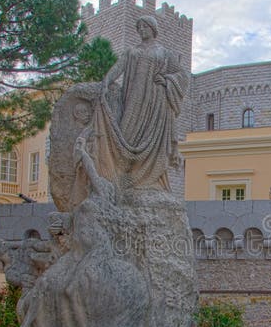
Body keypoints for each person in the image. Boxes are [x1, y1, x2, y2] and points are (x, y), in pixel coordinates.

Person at [75, 14, 188, 199]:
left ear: (153, 29)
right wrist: (106, 81)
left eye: (145, 26)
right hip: (134, 99)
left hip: (156, 101)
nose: (142, 30)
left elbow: (182, 75)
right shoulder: (132, 51)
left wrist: (167, 80)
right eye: (139, 27)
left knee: (153, 138)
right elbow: (118, 67)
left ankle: (149, 180)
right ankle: (124, 178)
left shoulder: (164, 53)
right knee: (127, 132)